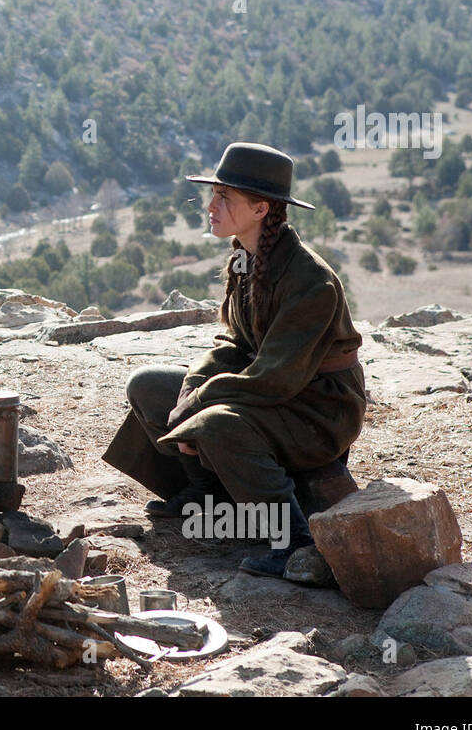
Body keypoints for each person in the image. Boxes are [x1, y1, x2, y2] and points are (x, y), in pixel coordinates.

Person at [101, 143, 365, 578]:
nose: (211, 206)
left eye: (225, 197)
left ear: (261, 208)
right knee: (147, 386)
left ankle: (292, 540)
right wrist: (191, 390)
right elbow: (235, 342)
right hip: (272, 387)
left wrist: (202, 402)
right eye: (214, 195)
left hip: (318, 408)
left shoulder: (311, 281)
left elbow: (275, 378)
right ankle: (208, 498)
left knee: (217, 421)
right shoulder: (247, 258)